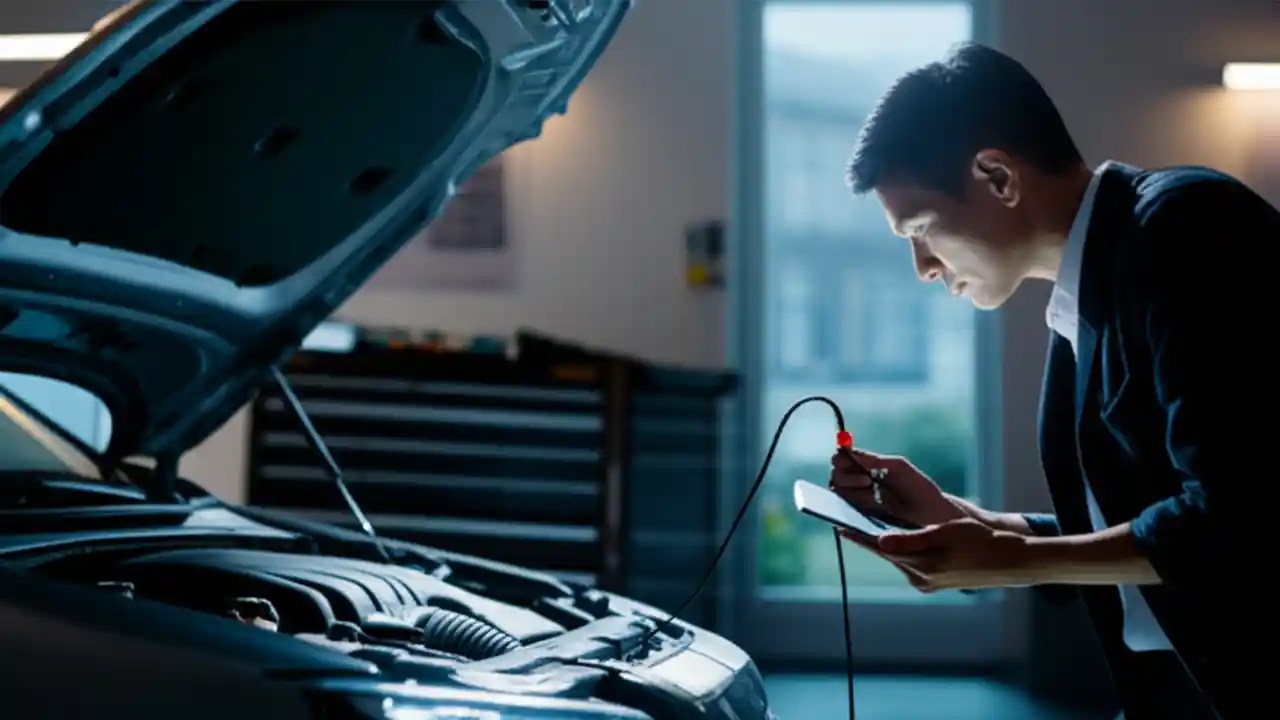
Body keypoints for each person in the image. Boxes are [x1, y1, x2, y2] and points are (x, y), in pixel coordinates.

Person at [828, 42, 1271, 720]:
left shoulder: (1184, 227)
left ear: (998, 177)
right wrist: (966, 520)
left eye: (921, 230)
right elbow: (1126, 525)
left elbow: (1236, 513)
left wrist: (1012, 561)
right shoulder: (1083, 297)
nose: (923, 267)